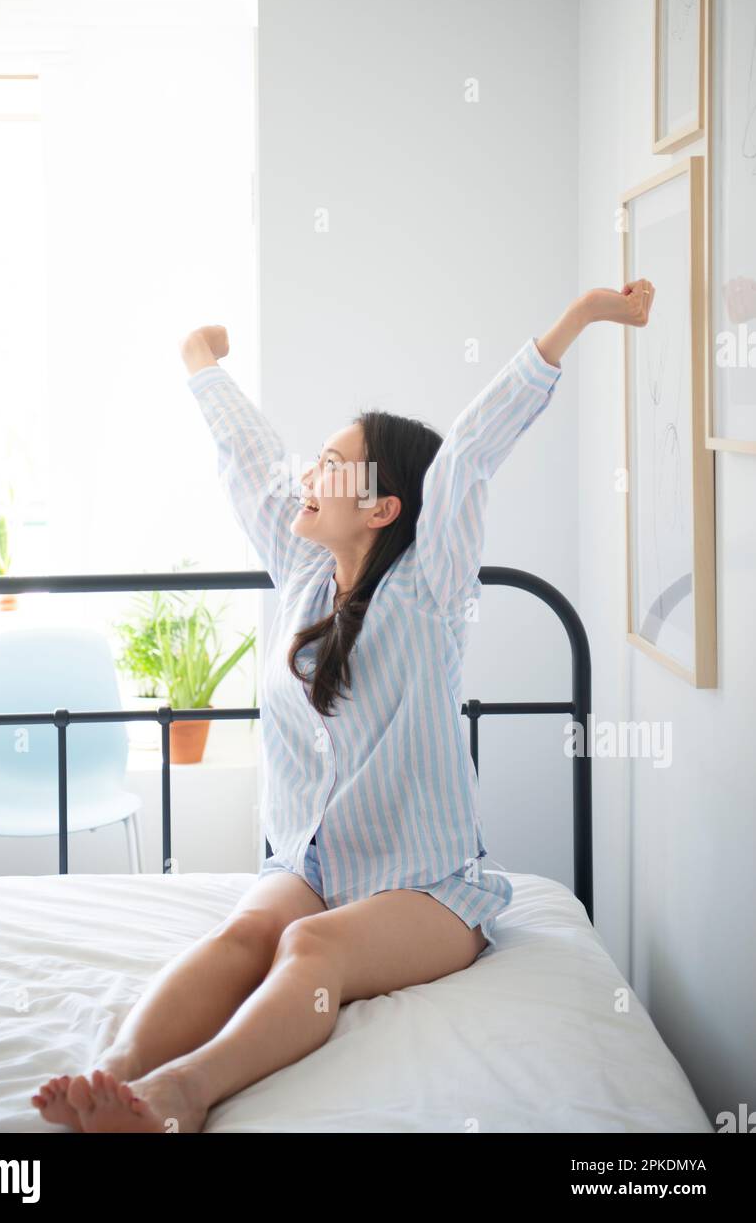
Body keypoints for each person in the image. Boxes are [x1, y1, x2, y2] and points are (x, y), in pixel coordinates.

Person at [32, 278, 654, 1133]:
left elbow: (467, 457)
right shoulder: (302, 574)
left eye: (330, 465)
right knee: (240, 939)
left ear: (382, 508)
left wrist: (576, 319)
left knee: (309, 944)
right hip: (309, 866)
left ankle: (181, 1094)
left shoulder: (429, 590)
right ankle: (111, 1077)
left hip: (428, 889)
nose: (307, 475)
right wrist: (199, 361)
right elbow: (250, 460)